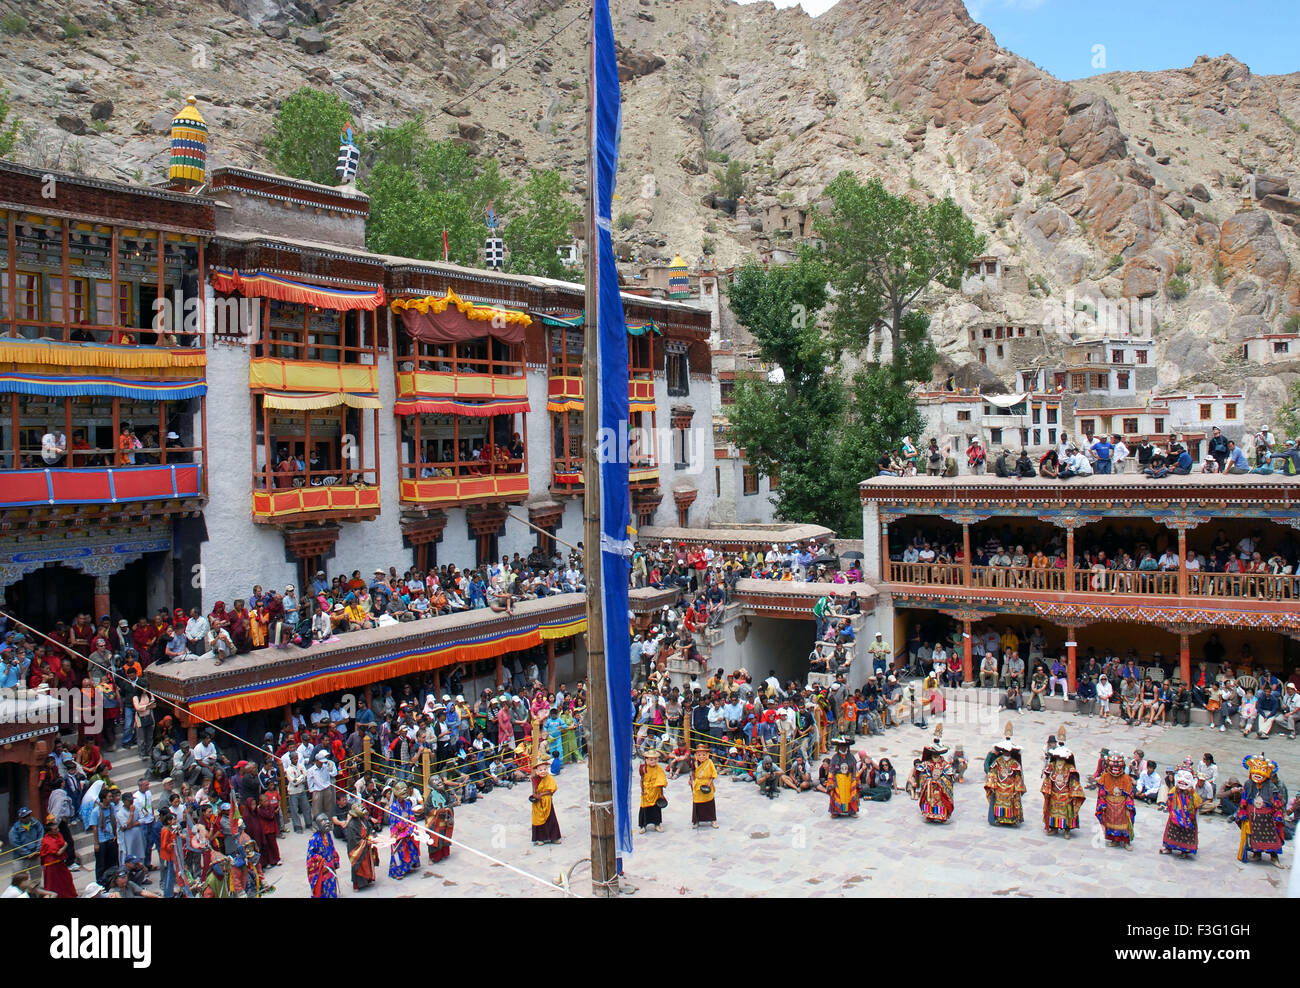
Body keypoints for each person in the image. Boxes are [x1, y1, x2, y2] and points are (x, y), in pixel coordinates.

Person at [1235, 754, 1285, 867]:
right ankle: (1257, 853)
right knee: (1254, 835)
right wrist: (1242, 811)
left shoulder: (1271, 787)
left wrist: (1278, 815)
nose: (1257, 775)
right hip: (1253, 815)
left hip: (1267, 817)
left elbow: (1277, 802)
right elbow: (1244, 799)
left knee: (1271, 835)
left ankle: (1274, 856)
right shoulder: (1248, 784)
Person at [1041, 733, 1086, 838]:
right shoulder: (1051, 766)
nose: (1059, 762)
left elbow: (1074, 782)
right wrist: (1047, 790)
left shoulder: (1070, 768)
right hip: (1054, 794)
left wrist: (1073, 793)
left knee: (1067, 812)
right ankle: (1054, 827)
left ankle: (1067, 830)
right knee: (1053, 811)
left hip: (1066, 795)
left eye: (1062, 759)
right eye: (1058, 759)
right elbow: (1047, 778)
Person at [983, 723, 1026, 826]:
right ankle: (999, 819)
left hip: (1010, 788)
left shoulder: (1015, 764)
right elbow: (992, 772)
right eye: (1005, 751)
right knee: (998, 802)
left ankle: (1010, 820)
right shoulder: (997, 761)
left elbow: (1018, 776)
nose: (1006, 753)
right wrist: (992, 784)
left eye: (1008, 752)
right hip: (999, 787)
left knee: (1010, 801)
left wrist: (1017, 787)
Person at [1095, 751, 1136, 849]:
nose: (1115, 770)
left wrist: (1129, 804)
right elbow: (1101, 790)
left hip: (1122, 804)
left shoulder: (1126, 778)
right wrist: (1102, 802)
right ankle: (1114, 840)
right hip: (1109, 804)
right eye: (1113, 768)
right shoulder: (1105, 776)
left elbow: (1129, 793)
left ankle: (1126, 842)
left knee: (1125, 823)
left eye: (1118, 768)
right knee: (1111, 823)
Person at [1160, 768, 1201, 858]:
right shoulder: (1174, 790)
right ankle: (1169, 847)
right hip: (1175, 815)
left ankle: (1185, 850)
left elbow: (1197, 805)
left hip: (1188, 818)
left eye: (1186, 777)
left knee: (1186, 834)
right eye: (1180, 777)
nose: (1182, 780)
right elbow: (1169, 799)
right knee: (1172, 830)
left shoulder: (1193, 794)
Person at [917, 728, 955, 823]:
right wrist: (928, 780)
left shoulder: (944, 764)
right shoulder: (927, 763)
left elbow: (949, 776)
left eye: (937, 754)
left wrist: (940, 780)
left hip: (940, 787)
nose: (935, 756)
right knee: (929, 800)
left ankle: (942, 816)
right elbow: (921, 773)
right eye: (934, 754)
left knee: (941, 801)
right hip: (929, 787)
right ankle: (929, 815)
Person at [386, 781, 420, 879]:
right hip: (398, 832)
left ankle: (410, 866)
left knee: (411, 846)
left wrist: (411, 824)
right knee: (399, 851)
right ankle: (397, 872)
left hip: (408, 828)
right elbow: (396, 823)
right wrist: (405, 826)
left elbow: (411, 815)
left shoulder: (408, 804)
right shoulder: (394, 807)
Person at [39, 813, 77, 898]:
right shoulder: (47, 840)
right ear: (49, 832)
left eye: (57, 828)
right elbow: (58, 852)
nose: (58, 830)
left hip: (60, 863)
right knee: (52, 885)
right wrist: (65, 845)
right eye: (55, 829)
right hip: (51, 866)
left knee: (66, 879)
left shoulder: (57, 835)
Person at [344, 802, 378, 891]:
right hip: (358, 848)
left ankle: (368, 879)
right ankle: (357, 884)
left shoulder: (363, 819)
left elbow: (369, 828)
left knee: (368, 862)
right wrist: (366, 842)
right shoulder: (351, 825)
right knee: (358, 865)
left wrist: (371, 836)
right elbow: (354, 840)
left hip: (365, 845)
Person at [530, 752, 561, 846]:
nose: (543, 771)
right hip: (538, 803)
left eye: (545, 769)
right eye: (540, 770)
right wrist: (535, 796)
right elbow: (534, 792)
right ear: (536, 771)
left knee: (551, 819)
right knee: (538, 819)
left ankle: (554, 838)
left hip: (547, 801)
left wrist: (542, 794)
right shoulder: (534, 779)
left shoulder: (549, 778)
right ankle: (540, 838)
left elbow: (551, 791)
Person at [306, 813, 339, 898]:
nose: (326, 822)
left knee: (331, 885)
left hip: (330, 867)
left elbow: (332, 847)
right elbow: (310, 855)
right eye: (323, 821)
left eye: (327, 820)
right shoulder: (314, 839)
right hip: (321, 868)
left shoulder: (328, 835)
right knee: (322, 888)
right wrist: (320, 860)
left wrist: (335, 859)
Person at [638, 748, 667, 834]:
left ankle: (657, 824)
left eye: (655, 759)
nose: (653, 761)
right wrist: (642, 789)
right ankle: (643, 826)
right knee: (644, 808)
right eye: (650, 760)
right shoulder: (643, 768)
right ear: (646, 760)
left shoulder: (659, 769)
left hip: (656, 791)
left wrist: (661, 793)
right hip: (646, 791)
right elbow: (641, 779)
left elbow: (662, 780)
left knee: (656, 808)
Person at [827, 738, 859, 817]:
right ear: (839, 747)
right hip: (838, 780)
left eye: (845, 746)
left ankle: (852, 811)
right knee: (838, 795)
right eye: (841, 746)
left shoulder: (851, 757)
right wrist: (832, 782)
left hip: (849, 779)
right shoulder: (835, 758)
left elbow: (855, 769)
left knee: (850, 795)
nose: (843, 748)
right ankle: (836, 811)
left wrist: (855, 779)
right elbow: (832, 770)